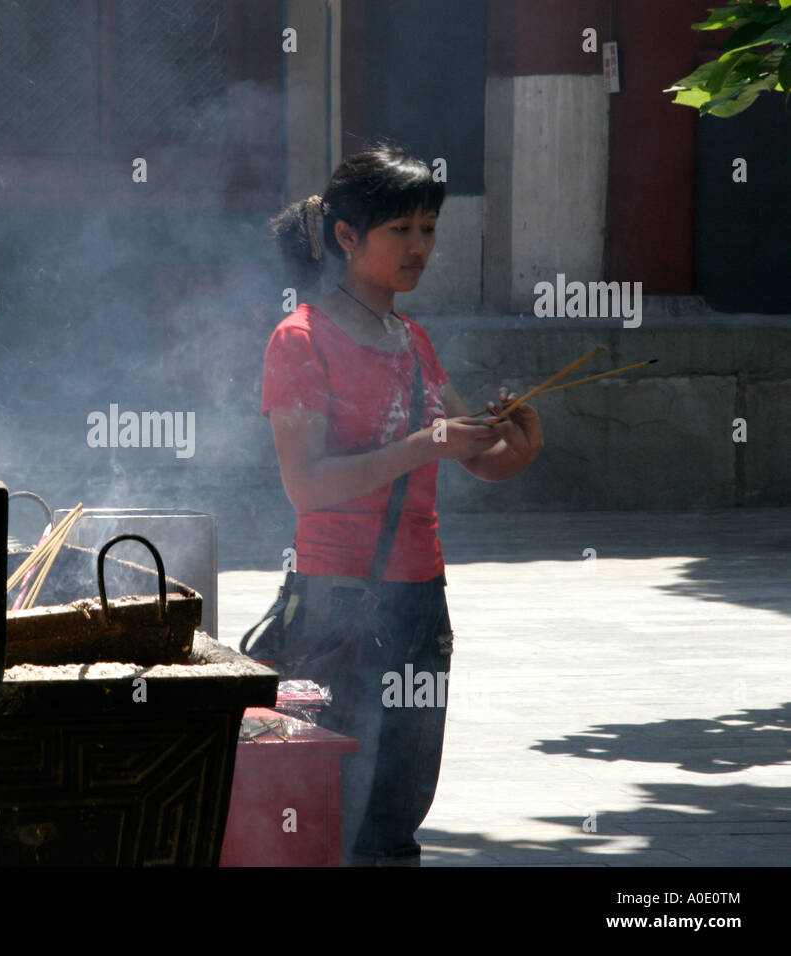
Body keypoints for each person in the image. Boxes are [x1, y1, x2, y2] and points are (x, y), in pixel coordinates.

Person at [261, 142, 543, 866]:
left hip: (420, 600)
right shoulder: (300, 340)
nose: (420, 247)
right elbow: (308, 485)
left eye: (429, 229)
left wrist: (519, 445)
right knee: (341, 803)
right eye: (401, 231)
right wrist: (423, 445)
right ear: (347, 237)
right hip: (340, 602)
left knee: (402, 801)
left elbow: (477, 459)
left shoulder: (412, 339)